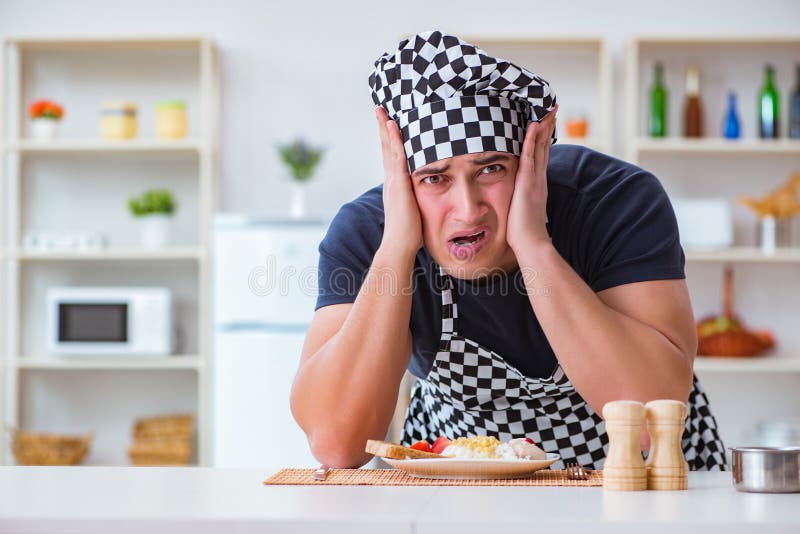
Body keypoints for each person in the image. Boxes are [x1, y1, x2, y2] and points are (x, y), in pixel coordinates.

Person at [290, 30, 726, 470]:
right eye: (435, 178)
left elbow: (652, 417)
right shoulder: (370, 232)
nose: (467, 210)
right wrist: (397, 248)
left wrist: (534, 245)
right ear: (403, 181)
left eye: (491, 170)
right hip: (455, 484)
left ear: (530, 164)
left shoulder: (616, 203)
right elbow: (335, 444)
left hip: (640, 476)